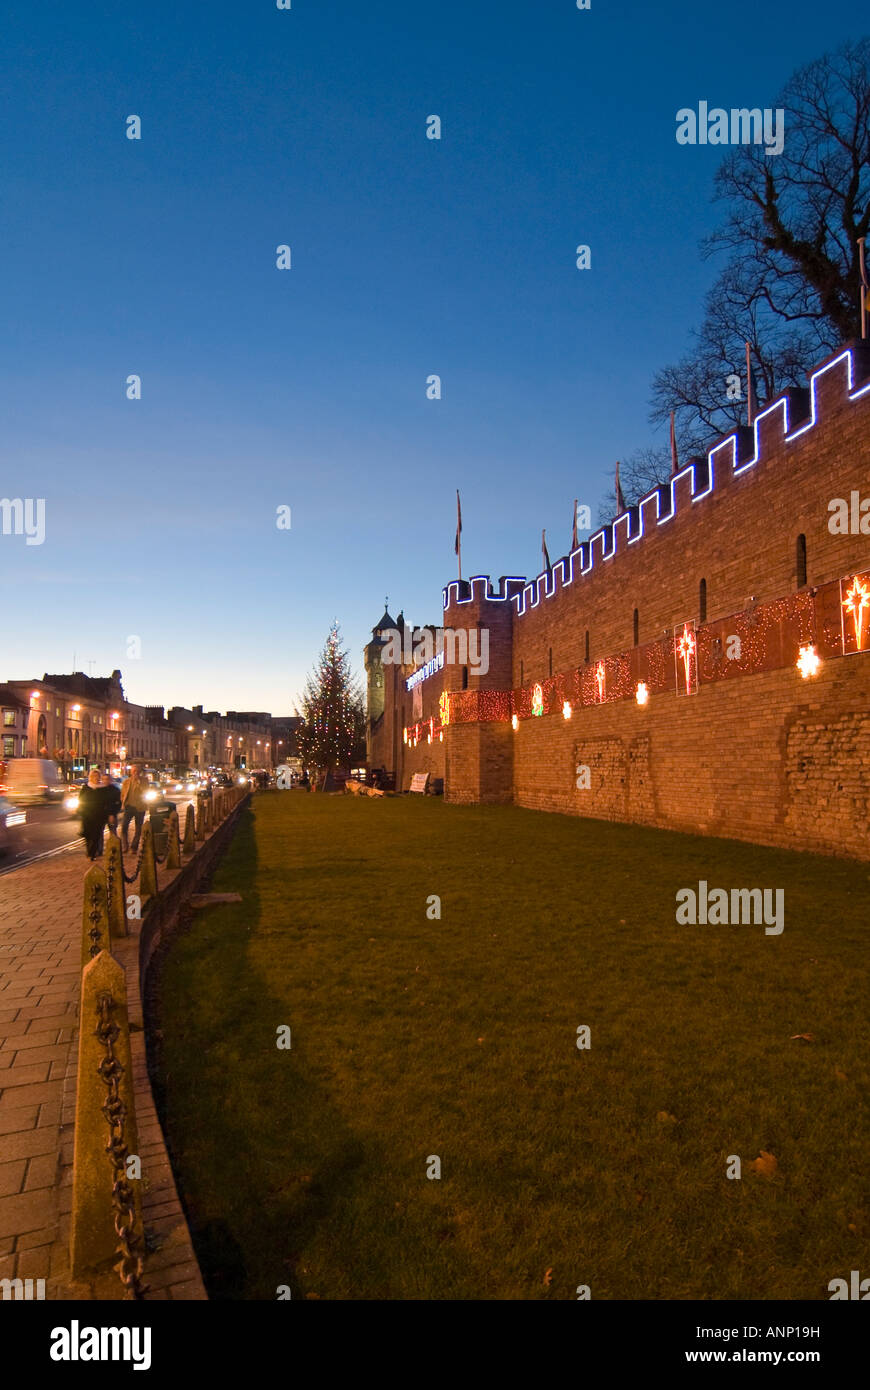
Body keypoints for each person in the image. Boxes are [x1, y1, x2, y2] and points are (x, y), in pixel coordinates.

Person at [78, 769, 108, 861]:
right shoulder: (86, 788)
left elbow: (106, 801)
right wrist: (81, 810)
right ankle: (89, 850)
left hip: (99, 816)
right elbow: (81, 799)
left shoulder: (103, 788)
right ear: (90, 777)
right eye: (93, 776)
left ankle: (92, 853)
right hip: (87, 815)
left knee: (96, 835)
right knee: (88, 834)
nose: (95, 778)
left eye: (97, 776)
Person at [120, 764, 149, 853]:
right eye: (134, 771)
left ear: (140, 772)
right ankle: (125, 846)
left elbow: (145, 791)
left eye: (137, 771)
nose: (135, 773)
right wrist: (123, 803)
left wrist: (139, 784)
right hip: (129, 807)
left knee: (138, 828)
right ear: (131, 772)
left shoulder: (144, 781)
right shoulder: (126, 781)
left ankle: (134, 847)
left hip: (140, 807)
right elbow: (123, 794)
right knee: (124, 827)